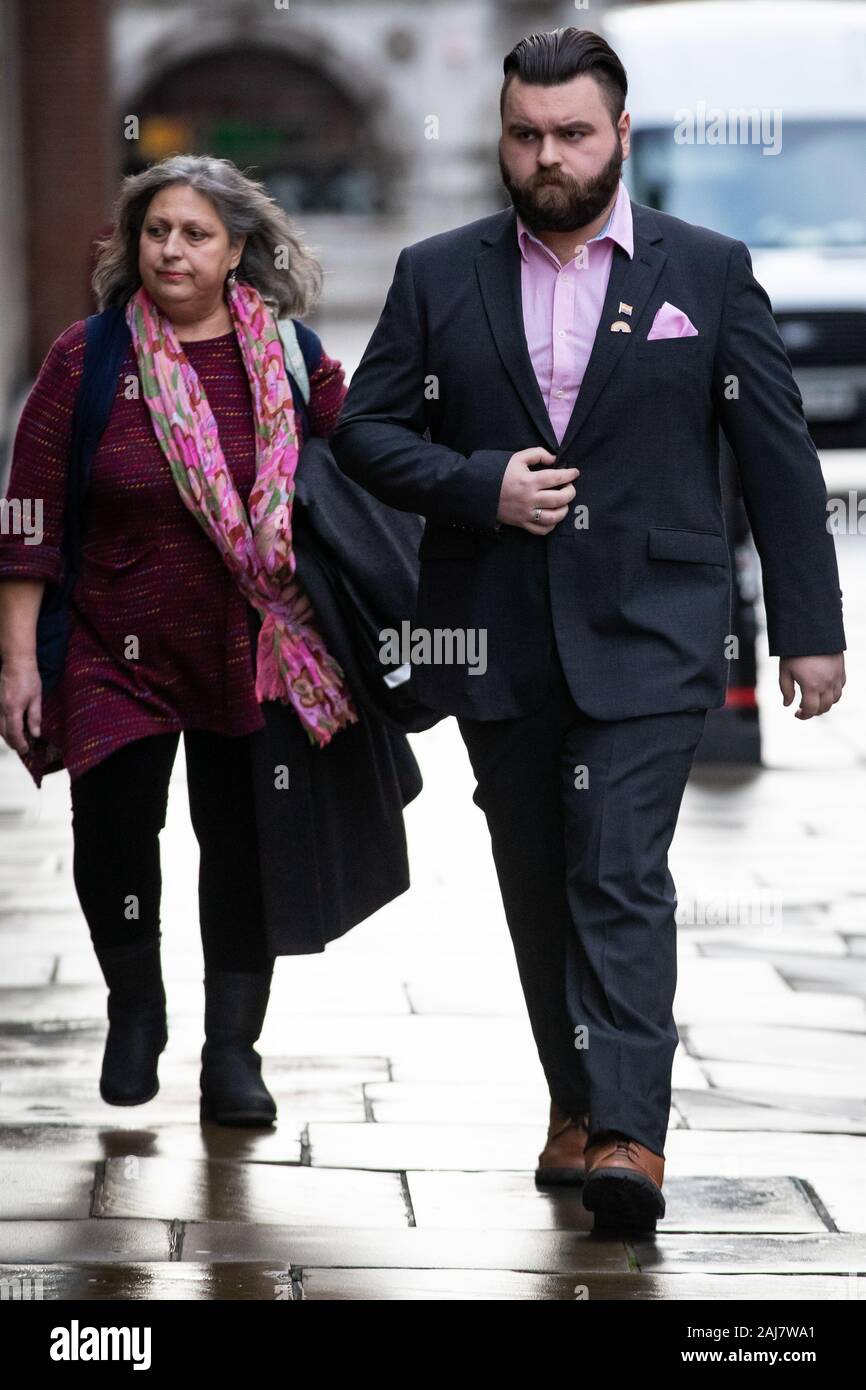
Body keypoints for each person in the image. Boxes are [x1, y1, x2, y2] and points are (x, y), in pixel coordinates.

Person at [330, 28, 847, 1231]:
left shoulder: (706, 271)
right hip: (495, 630)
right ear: (500, 138)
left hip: (655, 625)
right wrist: (479, 486)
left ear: (619, 132)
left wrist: (806, 633)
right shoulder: (435, 272)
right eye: (525, 135)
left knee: (615, 864)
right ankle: (573, 1098)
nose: (547, 156)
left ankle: (627, 1133)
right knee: (534, 880)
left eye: (571, 132)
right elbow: (362, 433)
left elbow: (776, 460)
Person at [0, 154, 419, 1128]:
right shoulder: (87, 357)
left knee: (239, 844)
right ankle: (134, 1004)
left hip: (255, 642)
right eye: (156, 232)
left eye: (194, 233)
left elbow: (363, 469)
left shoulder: (290, 357)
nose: (172, 249)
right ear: (131, 245)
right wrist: (19, 660)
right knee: (112, 832)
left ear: (236, 249)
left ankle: (232, 1052)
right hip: (116, 644)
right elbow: (28, 513)